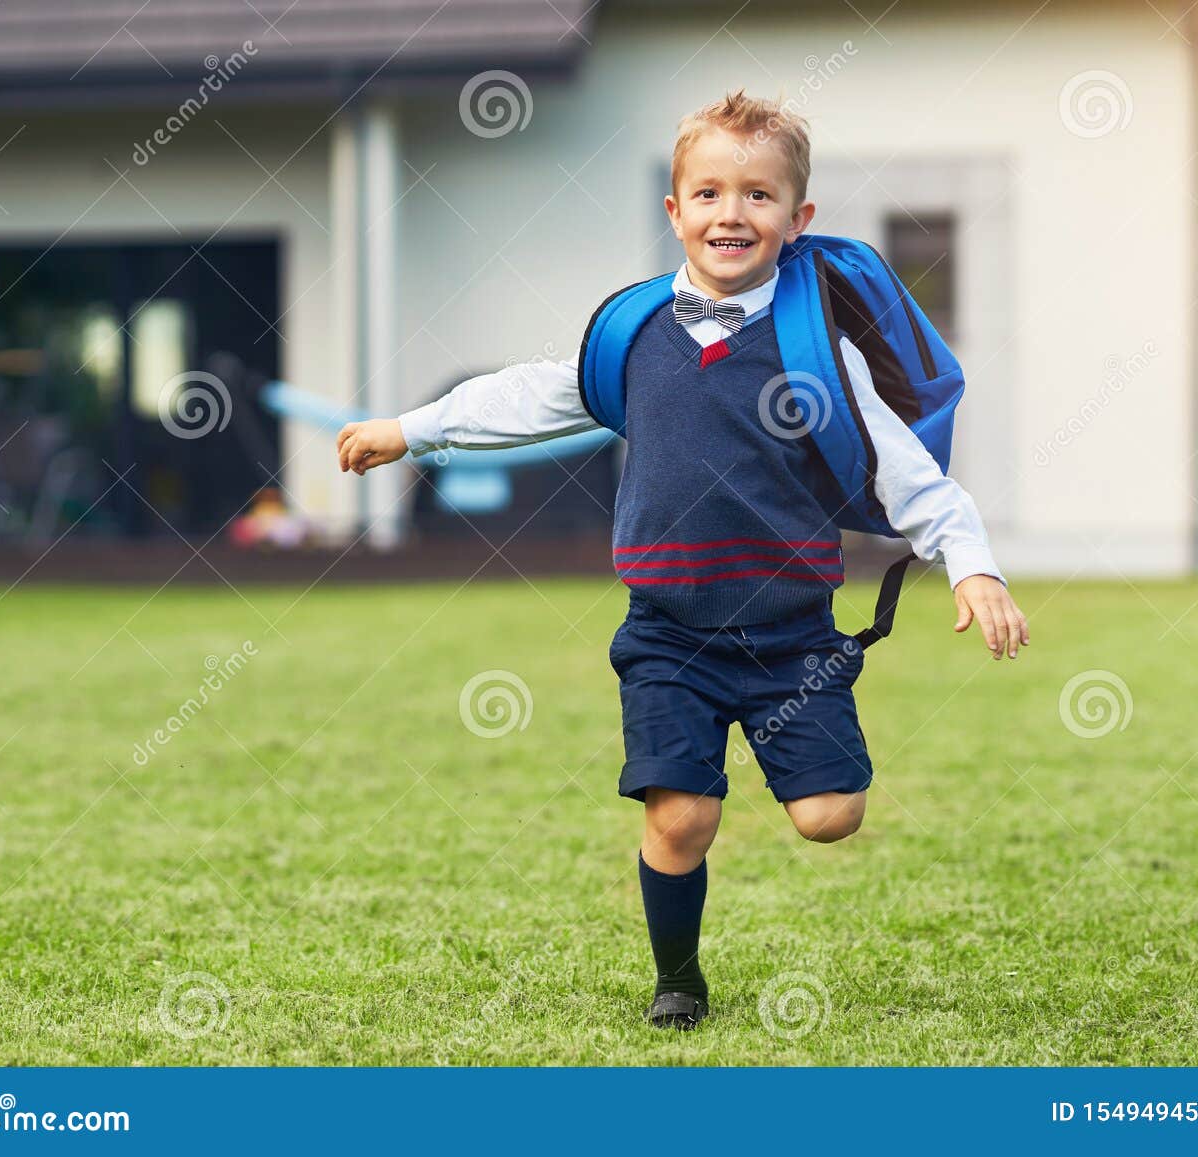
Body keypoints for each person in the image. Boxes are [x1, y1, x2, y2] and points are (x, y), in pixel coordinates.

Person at [336, 89, 1029, 1031]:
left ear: (798, 219)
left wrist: (972, 562)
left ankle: (773, 769)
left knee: (833, 814)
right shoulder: (633, 336)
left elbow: (906, 469)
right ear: (675, 212)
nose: (730, 213)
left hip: (793, 633)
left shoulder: (818, 353)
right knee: (681, 819)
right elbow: (527, 397)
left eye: (757, 195)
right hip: (668, 631)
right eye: (707, 193)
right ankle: (679, 976)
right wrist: (409, 430)